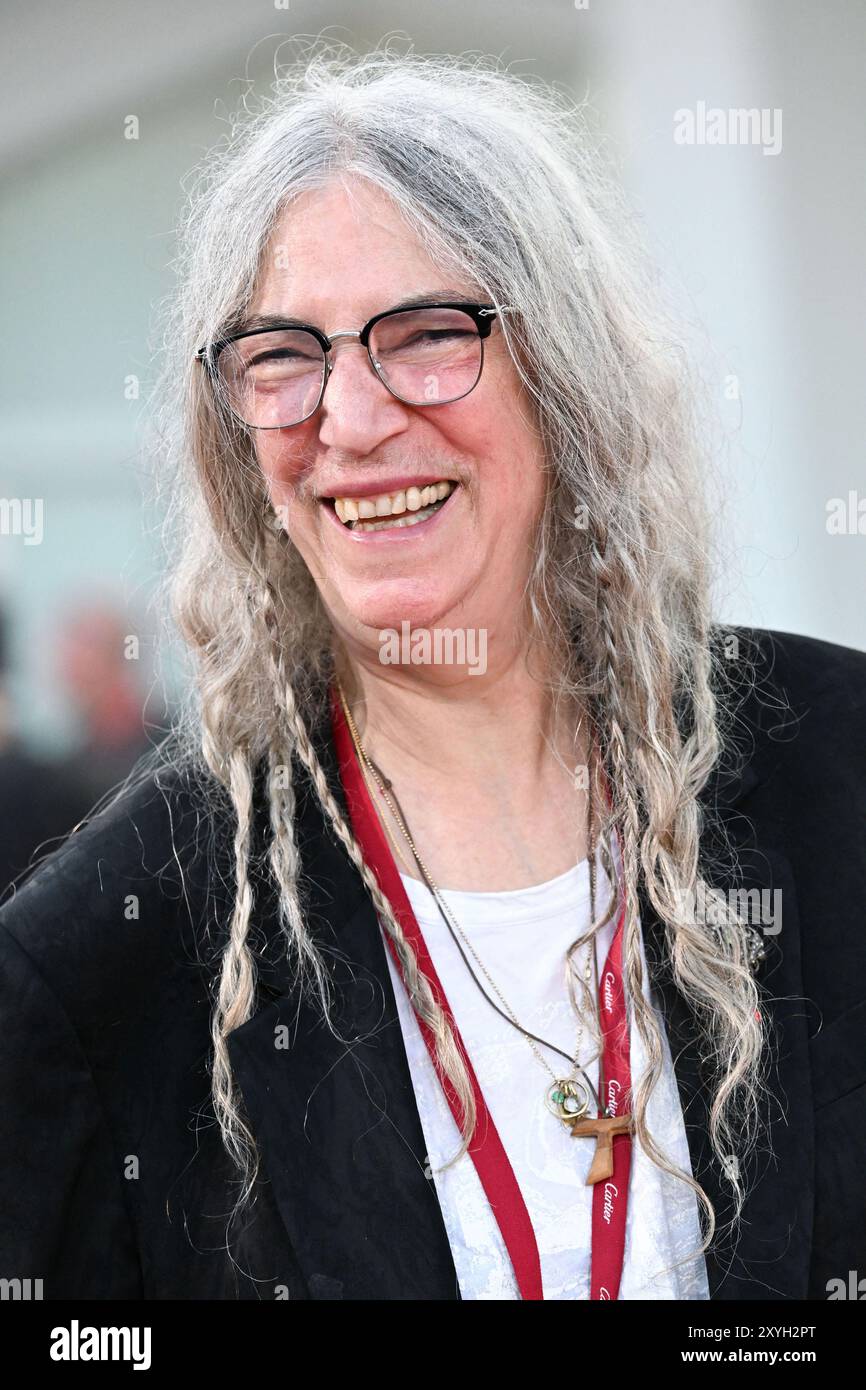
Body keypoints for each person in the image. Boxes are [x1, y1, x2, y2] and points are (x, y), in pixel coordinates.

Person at [1, 46, 863, 1303]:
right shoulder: (105, 960)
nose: (349, 419)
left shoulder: (836, 775)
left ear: (562, 378)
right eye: (281, 356)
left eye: (422, 334)